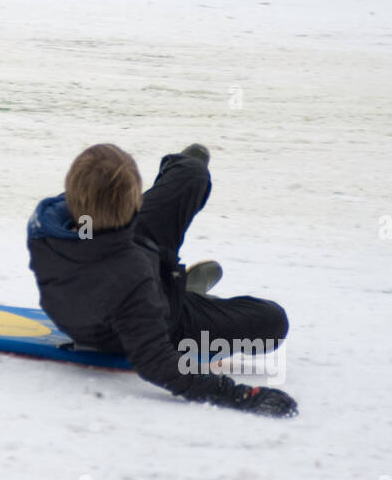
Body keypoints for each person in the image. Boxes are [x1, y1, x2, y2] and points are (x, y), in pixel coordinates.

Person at [28, 143, 298, 417]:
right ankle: (189, 291)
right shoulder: (130, 278)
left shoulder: (50, 226)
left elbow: (94, 222)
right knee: (272, 322)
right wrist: (239, 395)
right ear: (133, 202)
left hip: (116, 238)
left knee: (192, 174)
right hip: (164, 315)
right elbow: (157, 362)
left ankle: (173, 270)